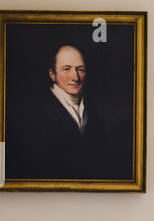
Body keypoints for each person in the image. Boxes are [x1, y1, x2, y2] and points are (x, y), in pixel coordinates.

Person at [11, 42, 113, 180]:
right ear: (52, 74)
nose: (75, 77)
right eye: (66, 69)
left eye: (80, 69)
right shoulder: (35, 113)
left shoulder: (95, 112)